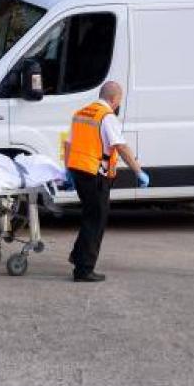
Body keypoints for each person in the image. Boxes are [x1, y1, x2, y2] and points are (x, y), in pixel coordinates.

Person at [65, 81, 149, 282]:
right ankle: (83, 269)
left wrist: (67, 170)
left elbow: (68, 143)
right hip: (95, 175)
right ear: (114, 99)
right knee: (96, 220)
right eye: (119, 101)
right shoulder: (107, 117)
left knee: (89, 216)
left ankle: (78, 256)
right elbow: (121, 147)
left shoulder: (81, 113)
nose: (118, 105)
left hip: (79, 172)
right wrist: (139, 172)